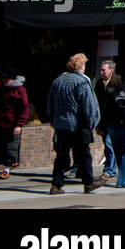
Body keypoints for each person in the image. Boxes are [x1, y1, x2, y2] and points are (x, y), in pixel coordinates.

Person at [46, 53, 105, 195]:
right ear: (80, 66)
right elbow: (89, 105)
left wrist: (52, 120)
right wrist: (93, 123)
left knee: (61, 155)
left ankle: (56, 185)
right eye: (84, 65)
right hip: (78, 125)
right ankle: (88, 183)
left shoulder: (58, 80)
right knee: (83, 155)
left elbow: (50, 103)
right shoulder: (82, 82)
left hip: (61, 125)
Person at [0, 70, 29, 179]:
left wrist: (19, 125)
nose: (4, 81)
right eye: (3, 79)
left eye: (7, 79)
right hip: (1, 123)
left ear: (12, 79)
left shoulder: (20, 90)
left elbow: (24, 108)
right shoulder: (2, 89)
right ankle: (7, 162)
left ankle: (7, 169)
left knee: (10, 147)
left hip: (13, 124)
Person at [93, 59, 121, 181]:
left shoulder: (118, 82)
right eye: (101, 70)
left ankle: (110, 169)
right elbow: (97, 102)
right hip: (103, 119)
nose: (101, 72)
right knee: (108, 144)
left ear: (111, 70)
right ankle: (110, 168)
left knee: (110, 145)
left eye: (104, 70)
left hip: (114, 119)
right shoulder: (100, 83)